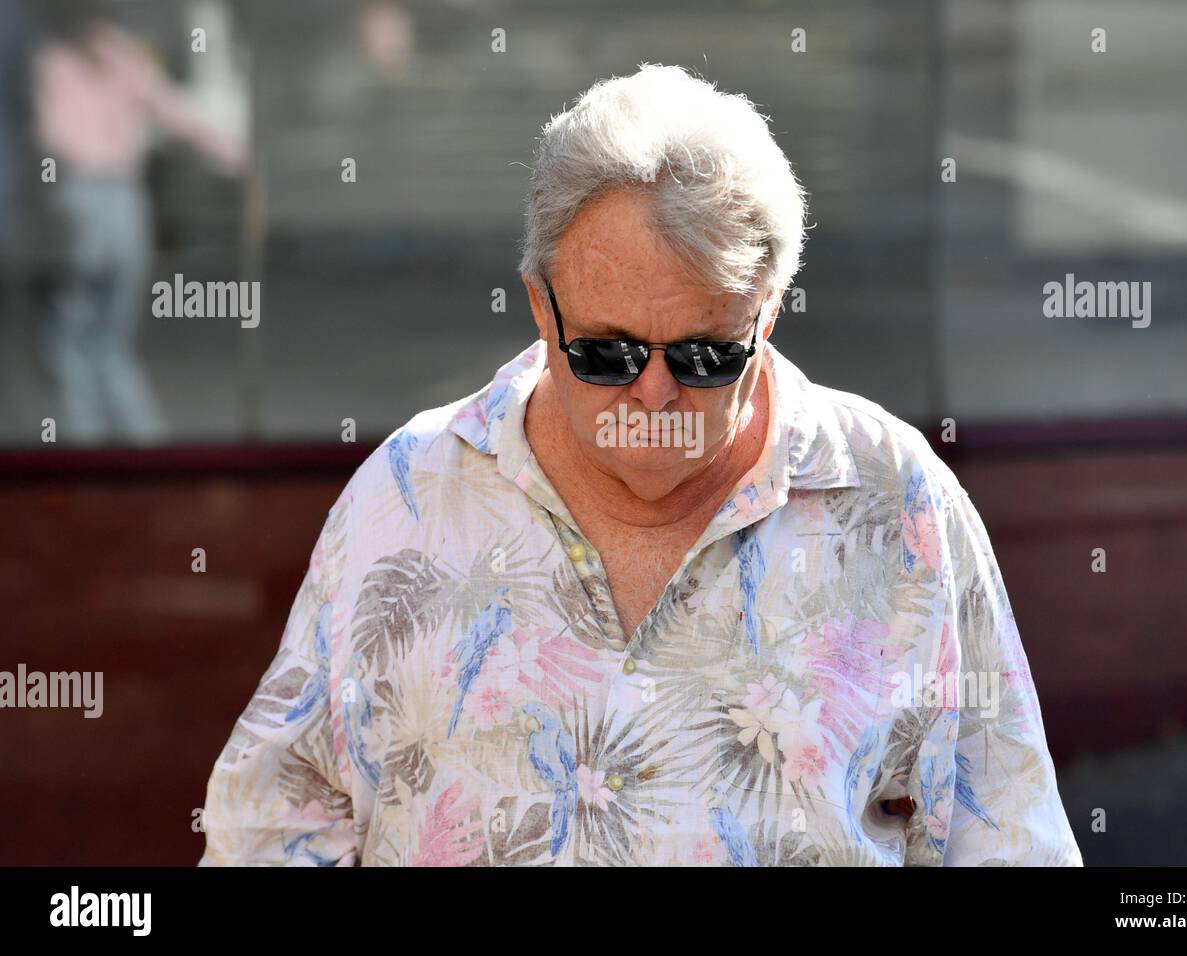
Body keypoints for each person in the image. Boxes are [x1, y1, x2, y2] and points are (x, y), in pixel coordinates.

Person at [199, 63, 1083, 866]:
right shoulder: (406, 501)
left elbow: (1004, 836)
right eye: (608, 354)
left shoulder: (897, 502)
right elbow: (269, 832)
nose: (654, 395)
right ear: (542, 309)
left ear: (766, 317)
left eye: (704, 356)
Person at [32, 3, 245, 444]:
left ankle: (83, 458)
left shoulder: (53, 61)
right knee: (113, 346)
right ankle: (146, 452)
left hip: (80, 200)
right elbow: (177, 114)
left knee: (71, 343)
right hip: (126, 203)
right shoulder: (124, 55)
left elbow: (52, 138)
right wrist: (233, 154)